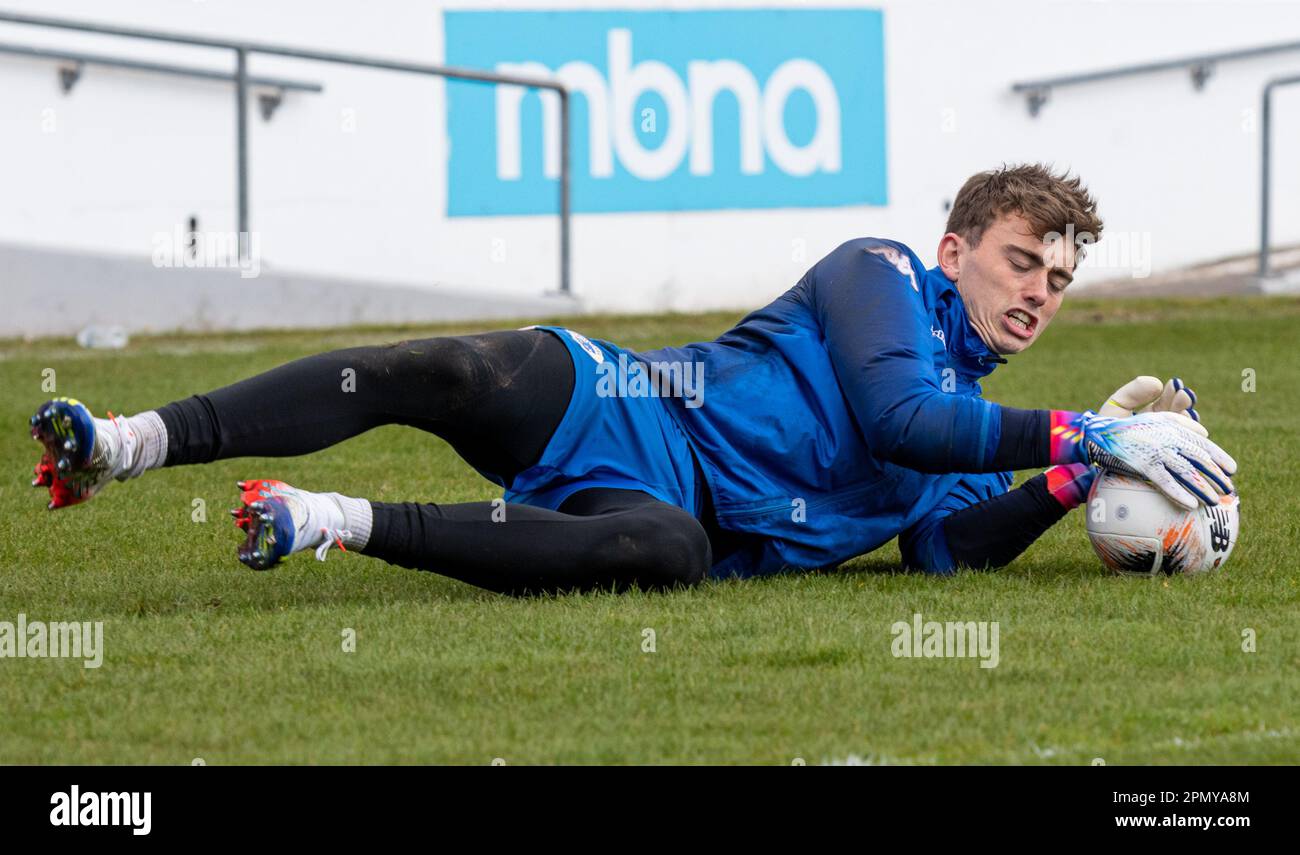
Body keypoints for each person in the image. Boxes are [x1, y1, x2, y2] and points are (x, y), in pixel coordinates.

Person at [29, 164, 1236, 594]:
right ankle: (125, 440)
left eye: (1060, 280)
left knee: (669, 559)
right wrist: (1087, 429)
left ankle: (330, 526)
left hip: (660, 512)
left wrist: (1070, 478)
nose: (1037, 289)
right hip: (619, 400)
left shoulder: (978, 423)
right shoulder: (876, 273)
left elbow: (936, 552)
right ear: (955, 250)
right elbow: (898, 419)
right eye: (1020, 261)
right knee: (446, 365)